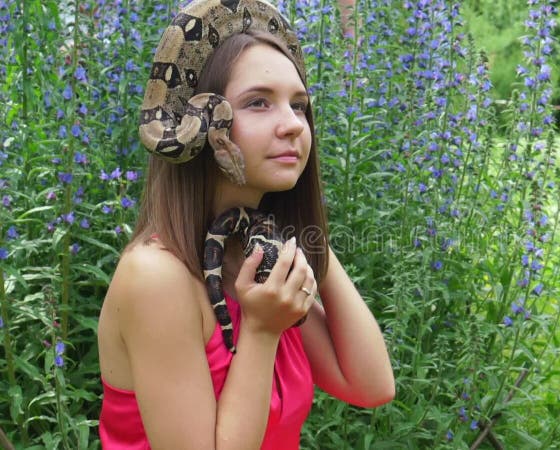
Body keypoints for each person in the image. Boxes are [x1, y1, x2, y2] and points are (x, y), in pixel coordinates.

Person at [97, 1, 394, 448]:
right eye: (259, 103)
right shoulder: (158, 277)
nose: (293, 125)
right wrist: (260, 329)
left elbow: (371, 386)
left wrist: (304, 233)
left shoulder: (255, 259)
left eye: (299, 105)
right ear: (205, 127)